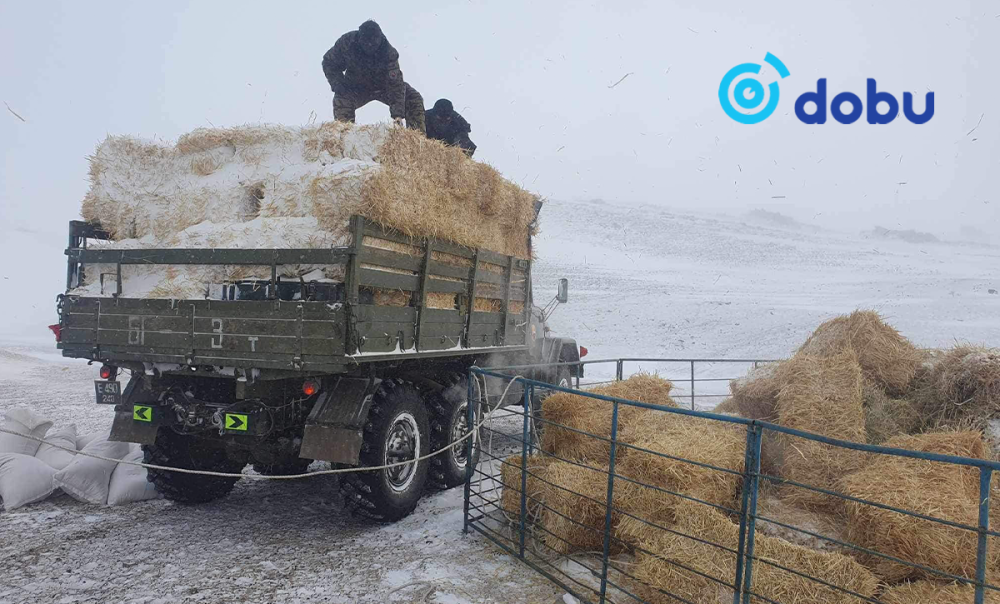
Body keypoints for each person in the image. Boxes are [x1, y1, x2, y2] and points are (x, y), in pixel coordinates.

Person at [322, 20, 425, 133]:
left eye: (373, 43)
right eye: (366, 42)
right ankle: (345, 137)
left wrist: (398, 115)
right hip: (355, 87)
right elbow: (329, 62)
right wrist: (338, 83)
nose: (370, 46)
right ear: (359, 39)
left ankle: (417, 141)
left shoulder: (389, 53)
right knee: (341, 99)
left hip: (384, 87)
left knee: (413, 98)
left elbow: (396, 85)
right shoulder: (347, 43)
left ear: (380, 39)